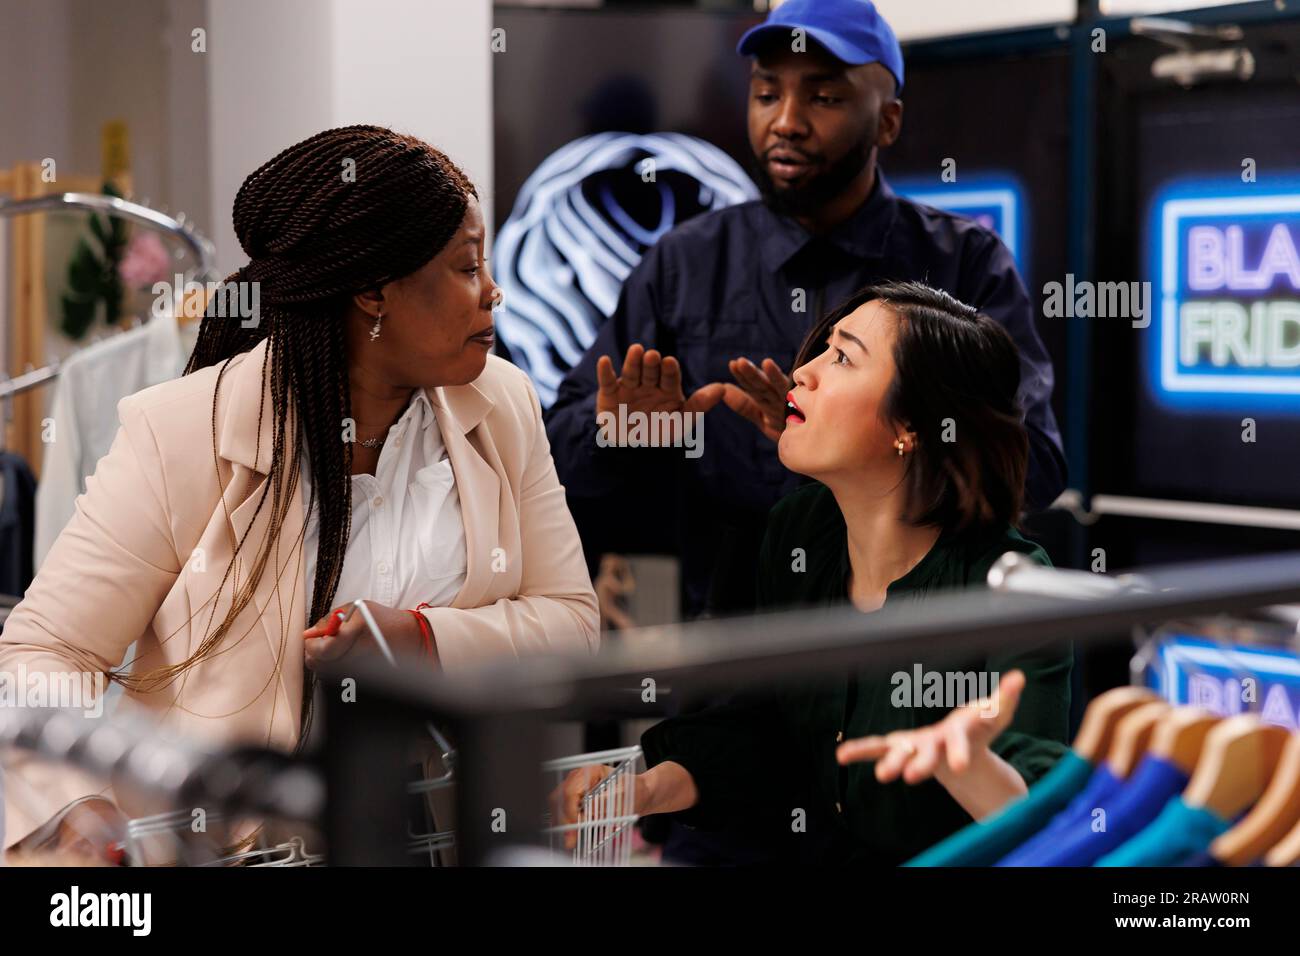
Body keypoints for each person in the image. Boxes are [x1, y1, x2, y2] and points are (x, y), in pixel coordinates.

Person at [1, 125, 599, 862]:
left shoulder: (502, 406)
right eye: (467, 267)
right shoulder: (184, 432)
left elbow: (571, 621)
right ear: (373, 291)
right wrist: (76, 811)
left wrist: (420, 638)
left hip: (443, 835)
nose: (493, 292)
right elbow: (45, 651)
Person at [544, 0, 1065, 619]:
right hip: (732, 647)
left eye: (824, 99)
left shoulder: (963, 263)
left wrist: (859, 450)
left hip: (906, 641)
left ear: (888, 121)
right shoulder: (687, 262)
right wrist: (624, 431)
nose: (786, 122)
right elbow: (562, 457)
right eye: (767, 95)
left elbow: (1032, 460)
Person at [557, 282, 1072, 865]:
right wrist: (645, 788)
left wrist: (969, 765)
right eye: (823, 348)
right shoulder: (800, 531)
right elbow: (767, 729)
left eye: (844, 357)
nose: (803, 373)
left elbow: (1046, 816)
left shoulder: (1013, 588)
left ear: (911, 427)